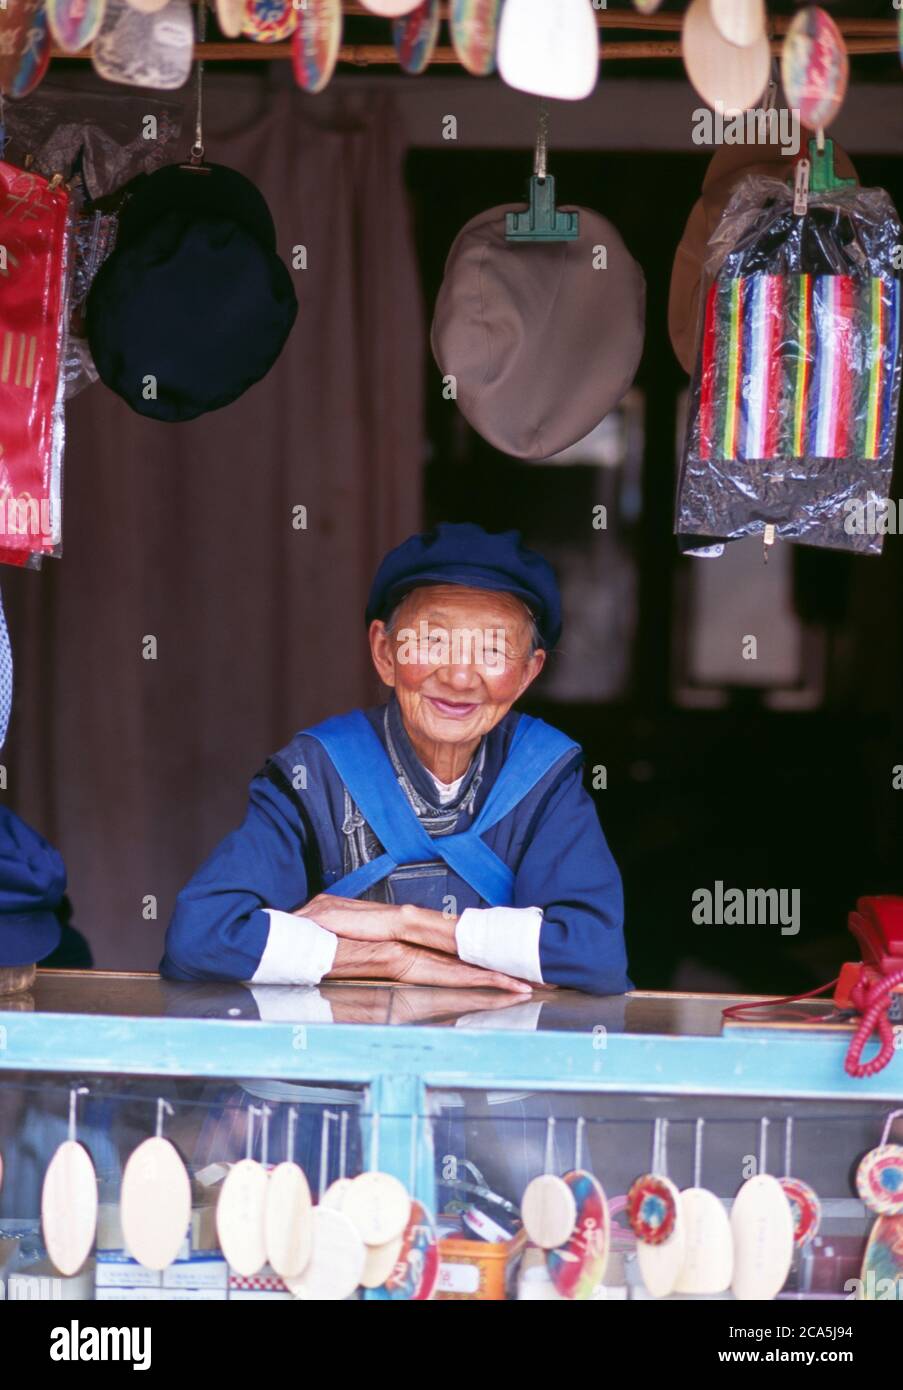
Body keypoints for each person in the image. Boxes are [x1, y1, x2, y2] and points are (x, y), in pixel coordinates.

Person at [162, 523, 631, 998]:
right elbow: (201, 938)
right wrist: (391, 958)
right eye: (433, 641)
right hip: (340, 1060)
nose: (460, 676)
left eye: (493, 649)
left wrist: (404, 923)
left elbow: (595, 955)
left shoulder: (543, 774)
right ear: (385, 652)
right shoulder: (317, 772)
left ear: (529, 672)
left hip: (489, 1061)